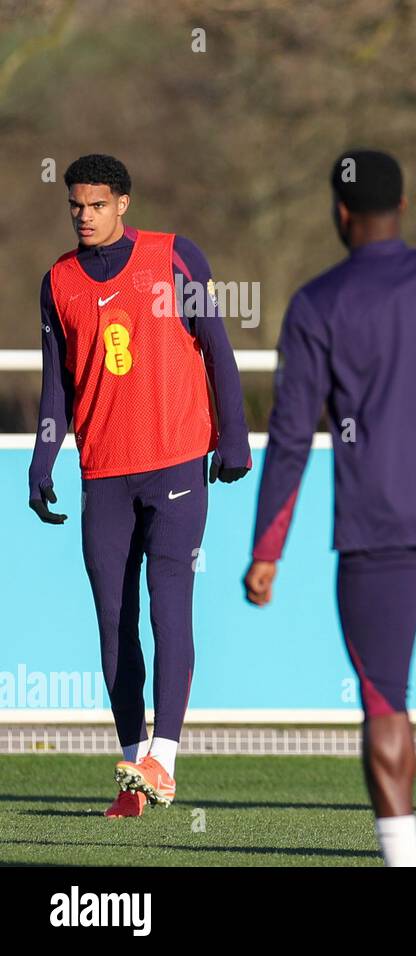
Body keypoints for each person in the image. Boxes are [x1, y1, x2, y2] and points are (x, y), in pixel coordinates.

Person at [244, 149, 416, 867]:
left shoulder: (316, 303)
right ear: (401, 207)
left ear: (340, 214)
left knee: (383, 705)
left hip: (373, 539)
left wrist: (267, 548)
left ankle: (405, 863)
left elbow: (289, 436)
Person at [28, 153, 250, 818]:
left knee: (167, 604)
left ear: (122, 203)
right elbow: (55, 386)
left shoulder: (173, 258)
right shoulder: (58, 283)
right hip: (104, 473)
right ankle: (135, 770)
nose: (84, 215)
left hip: (177, 461)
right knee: (112, 621)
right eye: (76, 205)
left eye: (96, 204)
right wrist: (43, 459)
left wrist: (234, 435)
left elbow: (216, 345)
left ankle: (167, 757)